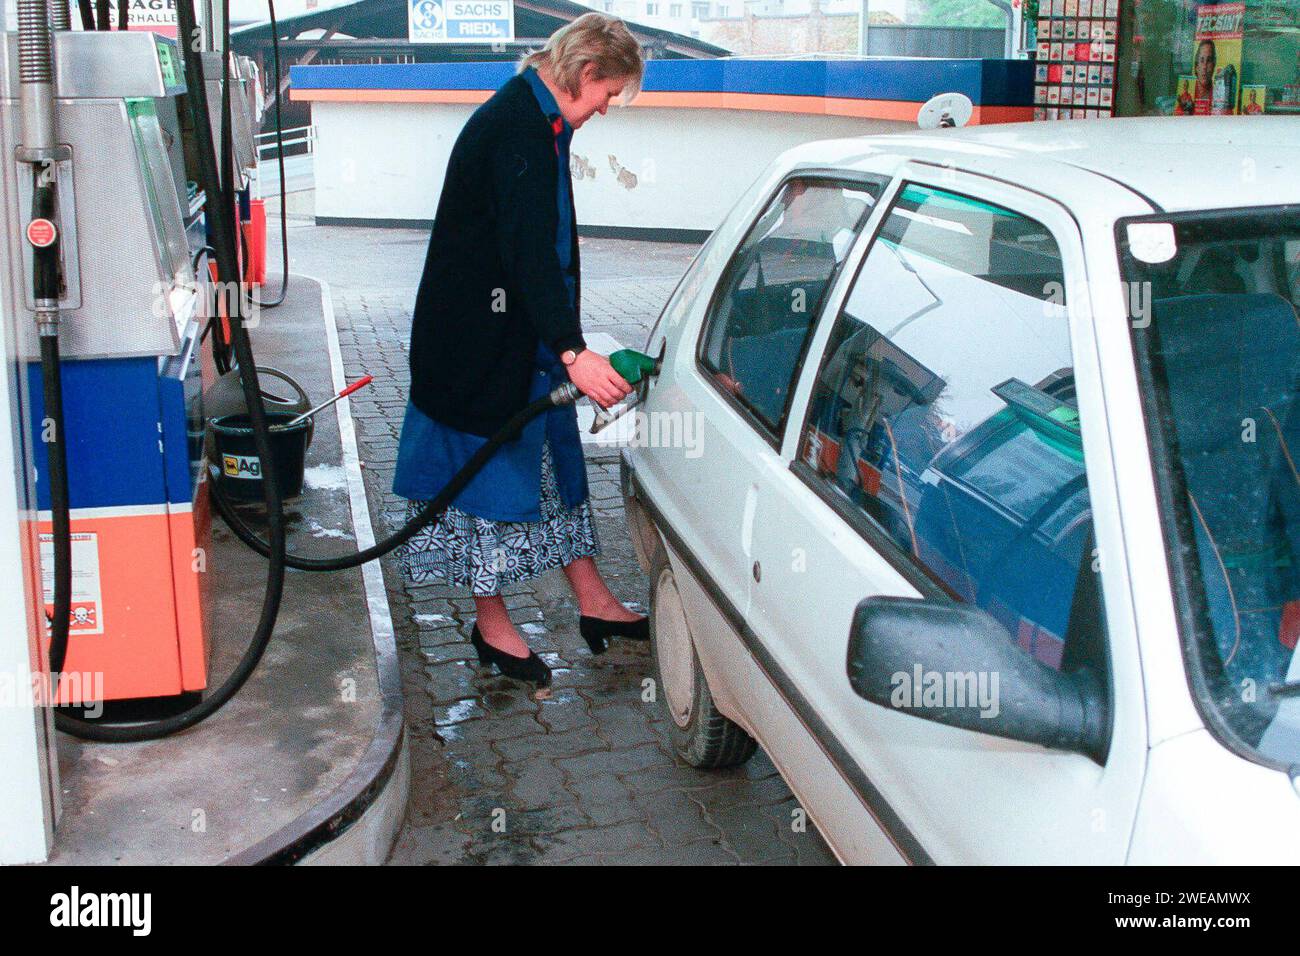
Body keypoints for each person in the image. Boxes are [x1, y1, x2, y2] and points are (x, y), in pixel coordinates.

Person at [393, 15, 648, 690]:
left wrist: (560, 343)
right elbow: (527, 250)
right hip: (475, 349)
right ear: (587, 73)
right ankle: (490, 623)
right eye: (609, 93)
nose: (606, 108)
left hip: (519, 338)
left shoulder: (540, 122)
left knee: (555, 467)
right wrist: (574, 351)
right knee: (486, 479)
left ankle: (592, 602)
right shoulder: (518, 131)